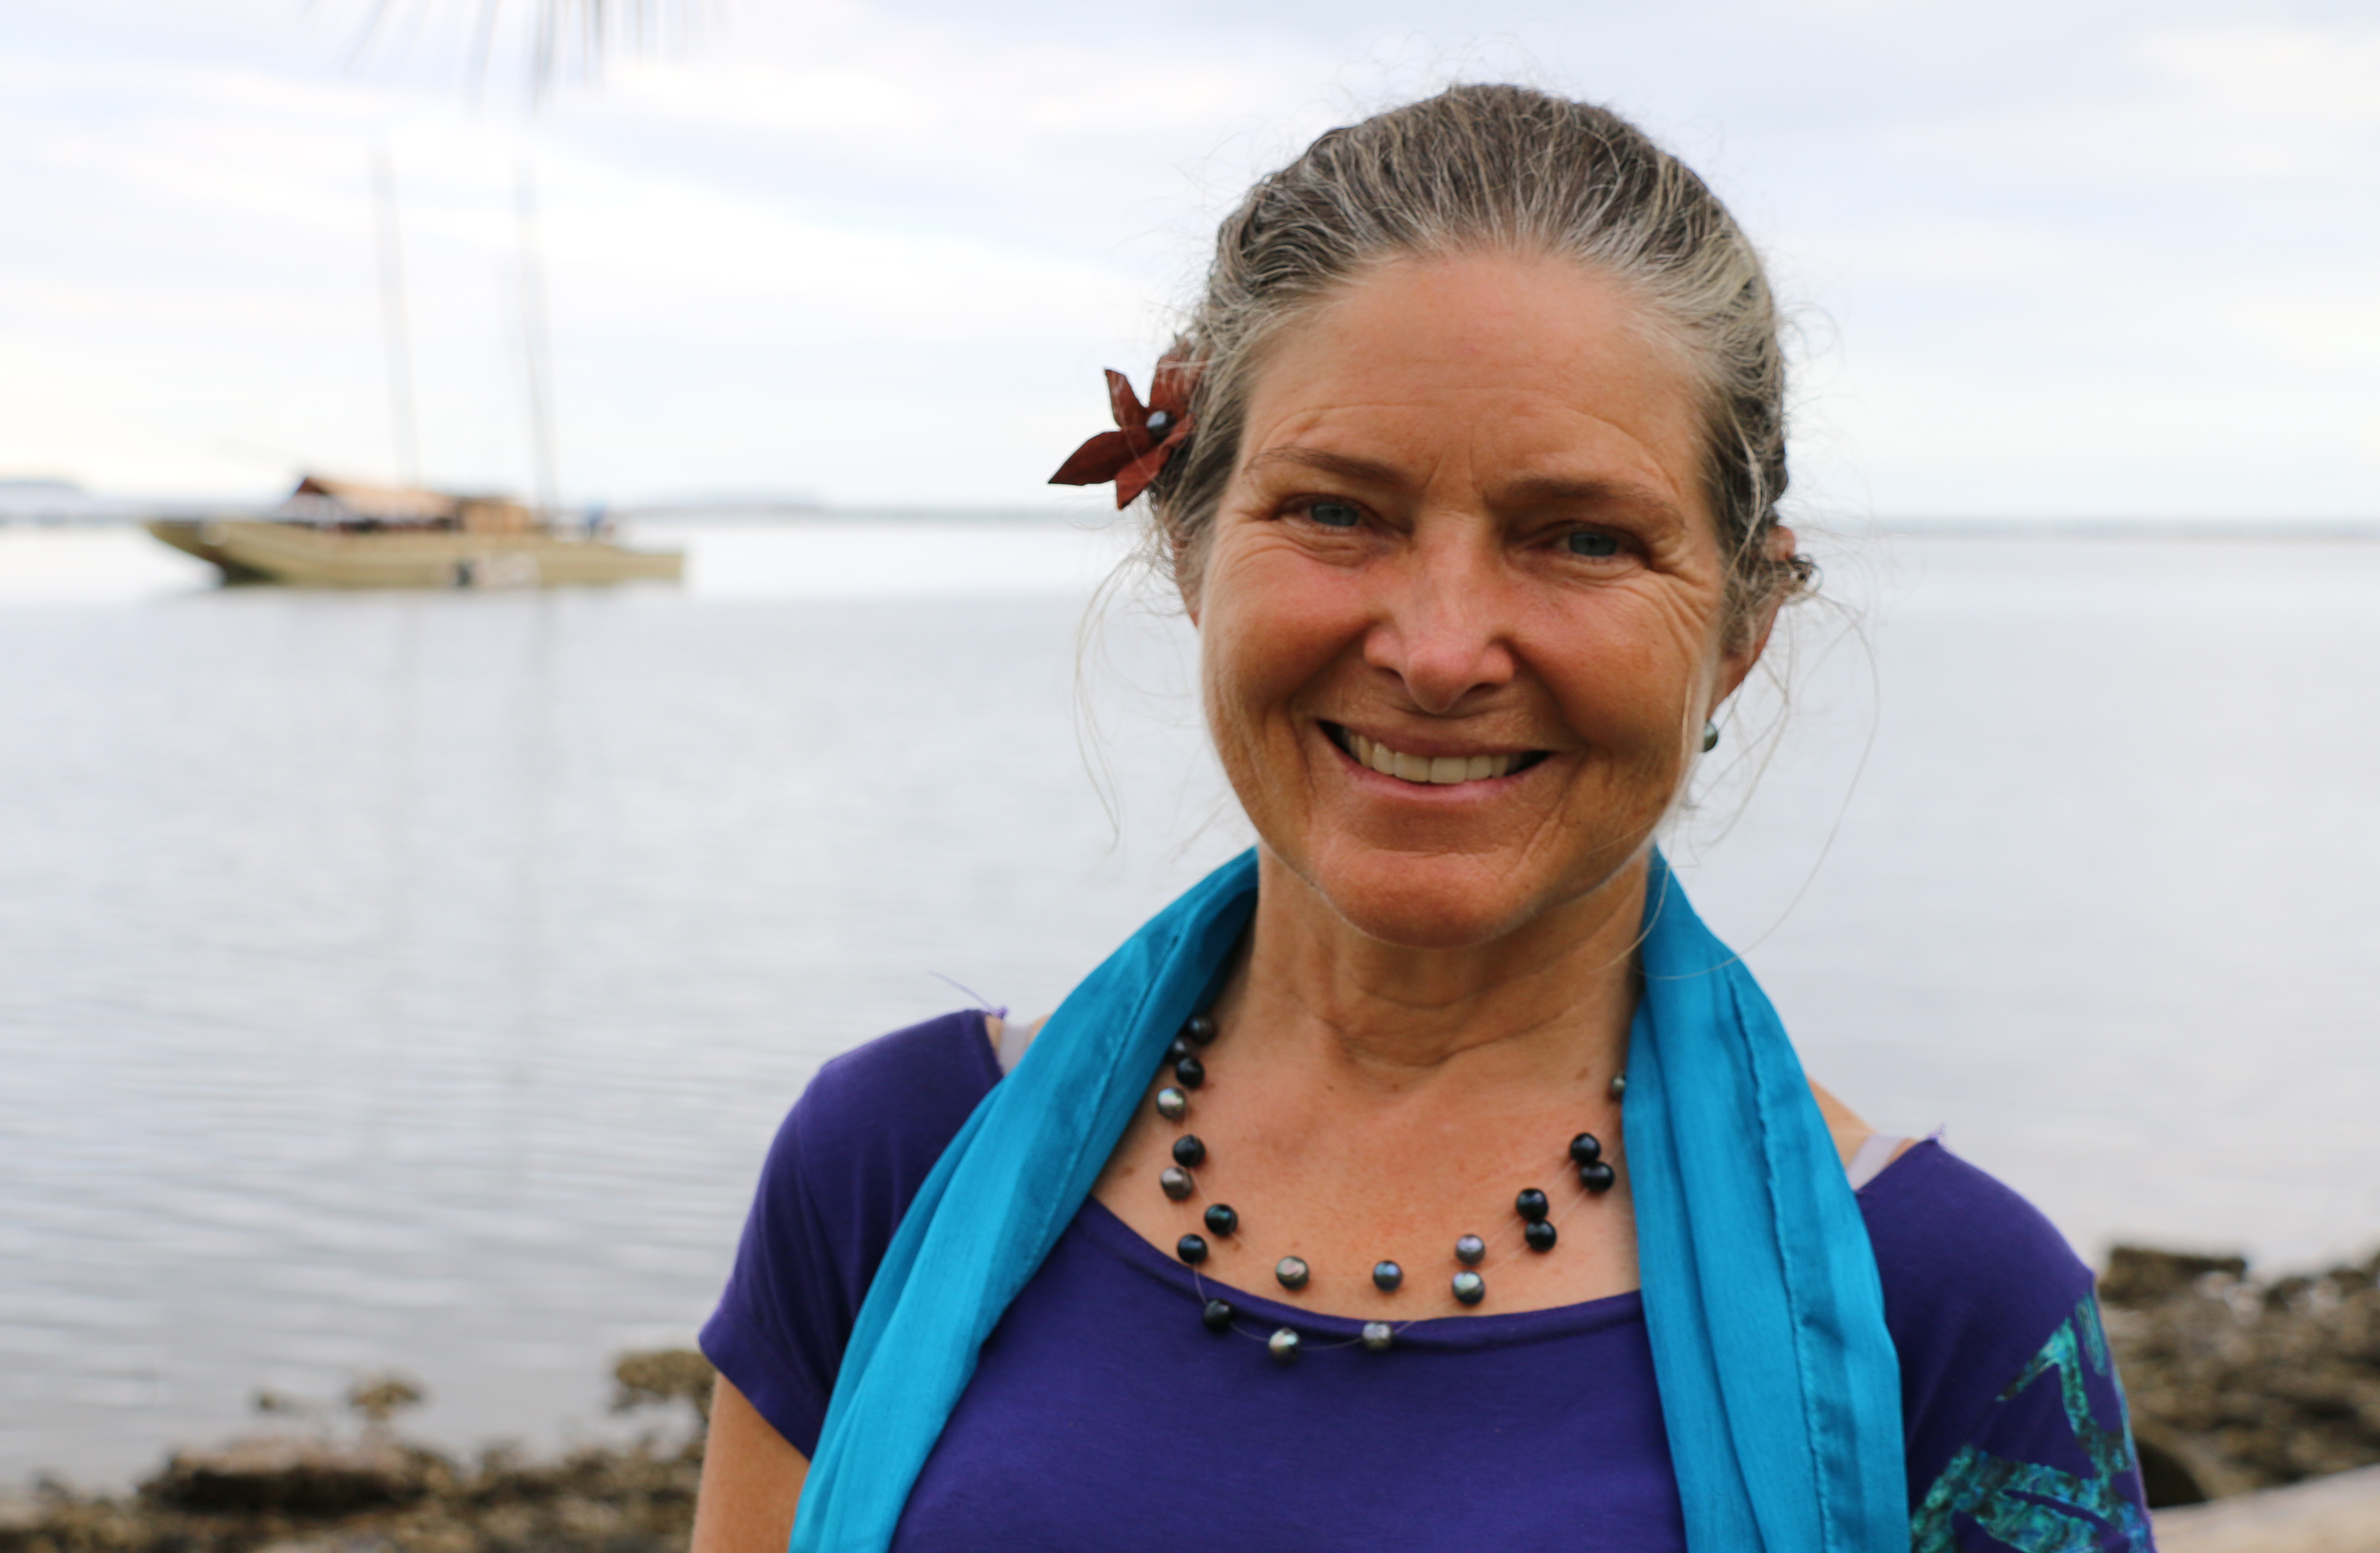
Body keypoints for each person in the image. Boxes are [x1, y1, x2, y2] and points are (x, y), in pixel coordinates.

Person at [689, 86, 2155, 1553]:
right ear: (1192, 548)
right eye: (1337, 510)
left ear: (1739, 628)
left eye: (1580, 537)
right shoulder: (889, 1166)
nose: (1440, 649)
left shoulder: (1949, 1312)